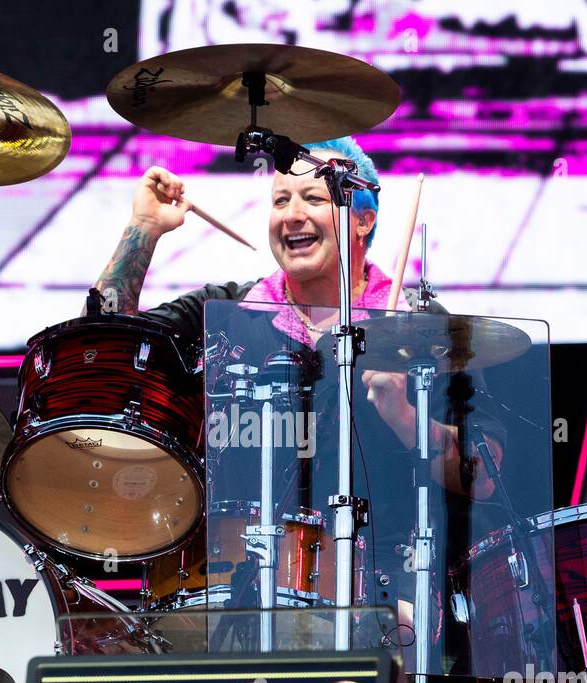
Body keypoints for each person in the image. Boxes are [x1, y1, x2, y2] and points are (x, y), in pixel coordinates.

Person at [87, 137, 508, 643]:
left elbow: (485, 476)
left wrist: (404, 414)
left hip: (389, 600)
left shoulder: (417, 327)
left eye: (313, 198)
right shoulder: (227, 313)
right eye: (280, 200)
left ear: (363, 219)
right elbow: (103, 346)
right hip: (231, 593)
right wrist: (144, 229)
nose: (291, 215)